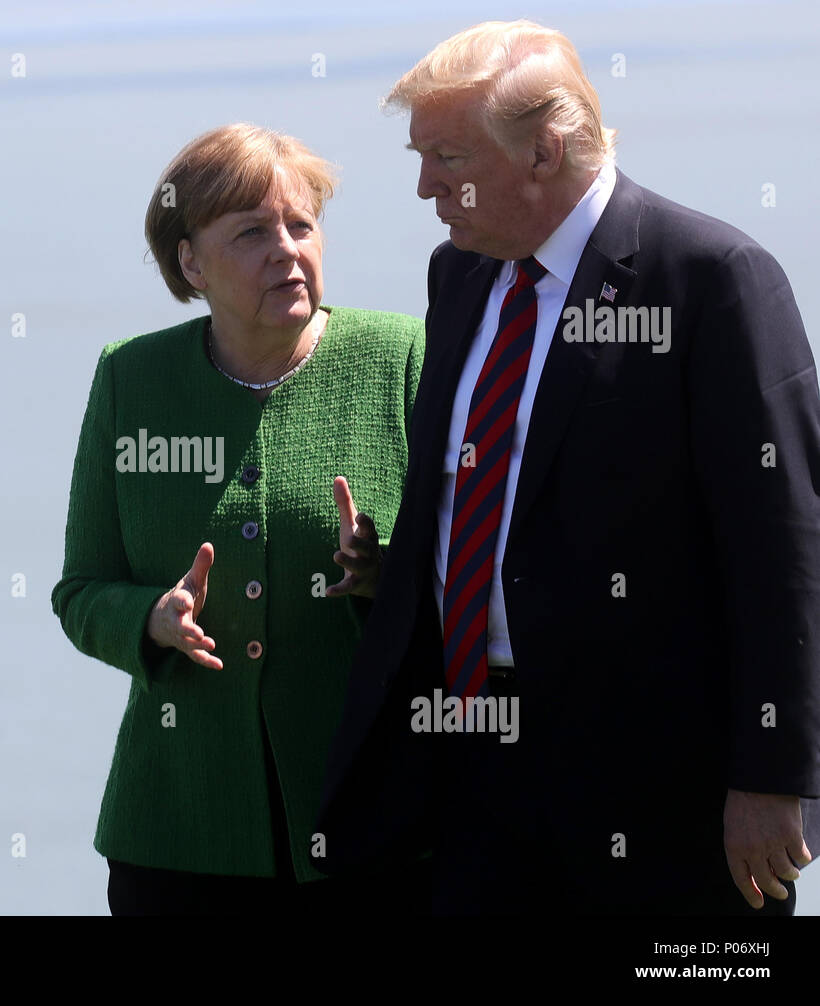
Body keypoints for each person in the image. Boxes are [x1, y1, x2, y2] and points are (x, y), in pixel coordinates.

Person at [313, 20, 820, 915]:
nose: (425, 184)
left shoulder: (712, 278)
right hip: (470, 763)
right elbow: (496, 498)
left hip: (664, 794)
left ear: (544, 152)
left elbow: (784, 547)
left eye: (446, 155)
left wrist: (775, 777)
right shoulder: (459, 275)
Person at [50, 122, 427, 915]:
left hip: (375, 832)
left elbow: (478, 573)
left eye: (302, 225)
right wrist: (149, 619)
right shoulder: (132, 379)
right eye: (253, 232)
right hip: (178, 836)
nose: (287, 250)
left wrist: (383, 570)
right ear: (190, 261)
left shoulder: (401, 358)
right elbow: (81, 591)